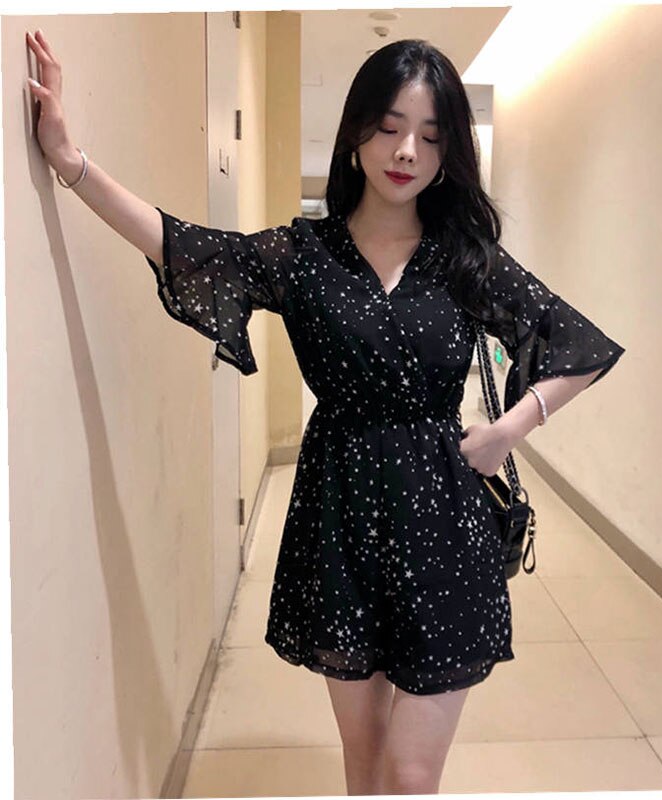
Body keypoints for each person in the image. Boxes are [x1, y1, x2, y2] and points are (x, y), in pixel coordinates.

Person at [26, 29, 625, 795]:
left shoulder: (464, 258)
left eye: (430, 136)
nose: (406, 151)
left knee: (412, 772)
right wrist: (69, 162)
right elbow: (187, 246)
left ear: (448, 154)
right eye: (390, 127)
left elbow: (577, 344)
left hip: (442, 519)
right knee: (365, 758)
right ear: (356, 132)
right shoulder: (304, 256)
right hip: (339, 513)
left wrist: (509, 430)